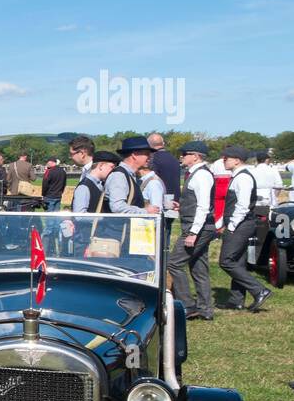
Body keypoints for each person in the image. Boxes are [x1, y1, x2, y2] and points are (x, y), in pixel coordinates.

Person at [217, 145, 270, 312]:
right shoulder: (238, 176)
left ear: (237, 160)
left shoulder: (243, 178)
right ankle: (236, 300)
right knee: (237, 262)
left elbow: (243, 205)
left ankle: (259, 290)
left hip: (242, 224)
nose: (223, 160)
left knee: (226, 261)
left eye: (226, 158)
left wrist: (231, 225)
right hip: (242, 223)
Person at [170, 141, 217, 320]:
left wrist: (193, 233)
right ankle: (205, 309)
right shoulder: (197, 174)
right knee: (198, 268)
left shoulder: (201, 176)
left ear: (195, 156)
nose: (181, 157)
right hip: (199, 226)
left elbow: (204, 206)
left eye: (184, 154)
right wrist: (180, 206)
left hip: (198, 227)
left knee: (173, 264)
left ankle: (188, 306)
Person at [106, 137, 163, 215]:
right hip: (118, 227)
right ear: (134, 155)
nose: (149, 158)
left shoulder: (128, 175)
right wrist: (145, 211)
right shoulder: (119, 176)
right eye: (146, 154)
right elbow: (117, 207)